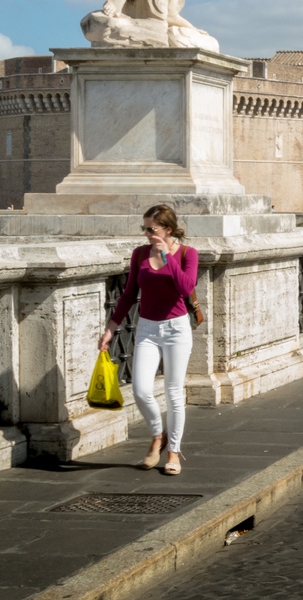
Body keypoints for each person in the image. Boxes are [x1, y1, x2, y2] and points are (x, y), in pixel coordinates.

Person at [98, 204, 198, 476]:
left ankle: (174, 453)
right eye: (144, 228)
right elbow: (129, 293)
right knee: (141, 389)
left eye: (151, 229)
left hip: (177, 329)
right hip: (147, 329)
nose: (146, 234)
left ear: (167, 229)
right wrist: (111, 327)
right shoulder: (140, 254)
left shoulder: (188, 254)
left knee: (174, 393)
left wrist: (167, 256)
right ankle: (158, 435)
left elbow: (186, 287)